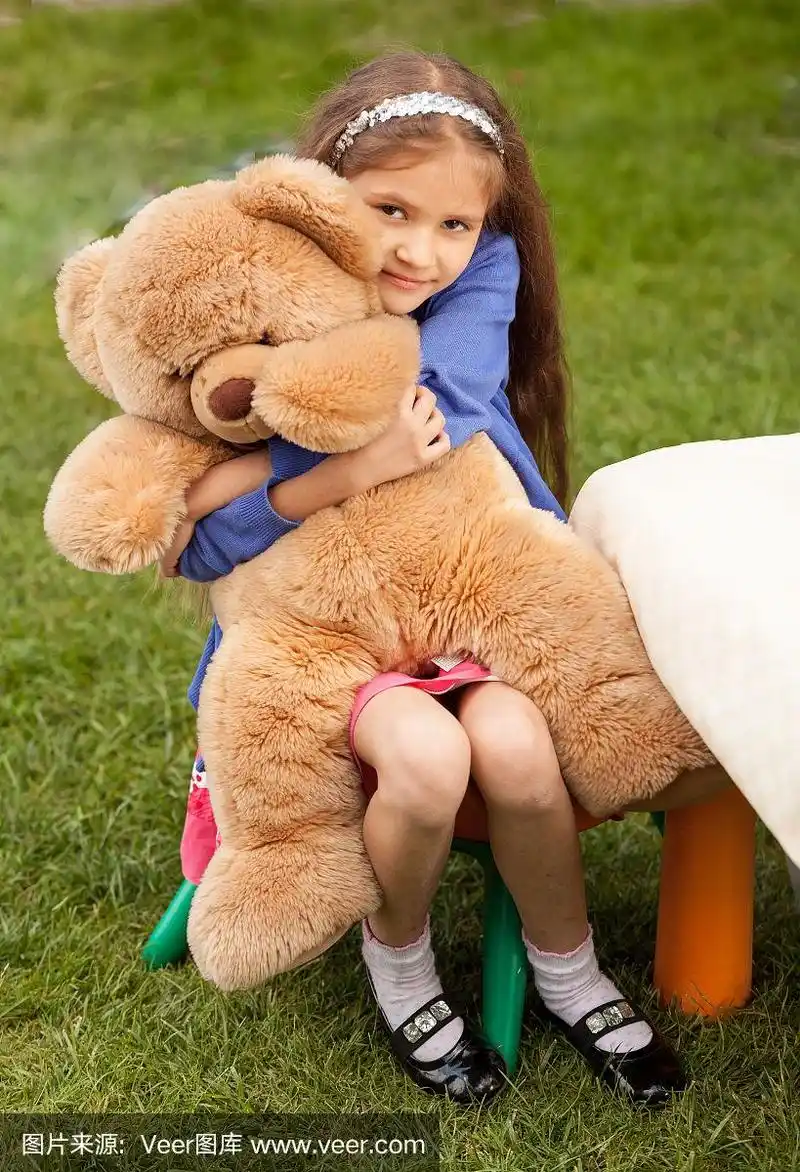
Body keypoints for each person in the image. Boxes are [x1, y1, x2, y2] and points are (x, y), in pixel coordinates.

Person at [164, 50, 686, 1108]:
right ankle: (398, 958)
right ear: (321, 197)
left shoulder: (479, 272)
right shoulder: (254, 305)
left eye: (451, 223)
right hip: (327, 649)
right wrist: (342, 472)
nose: (419, 251)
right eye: (389, 209)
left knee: (515, 746)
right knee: (424, 753)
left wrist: (248, 463)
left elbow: (433, 397)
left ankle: (567, 965)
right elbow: (197, 541)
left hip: (460, 605)